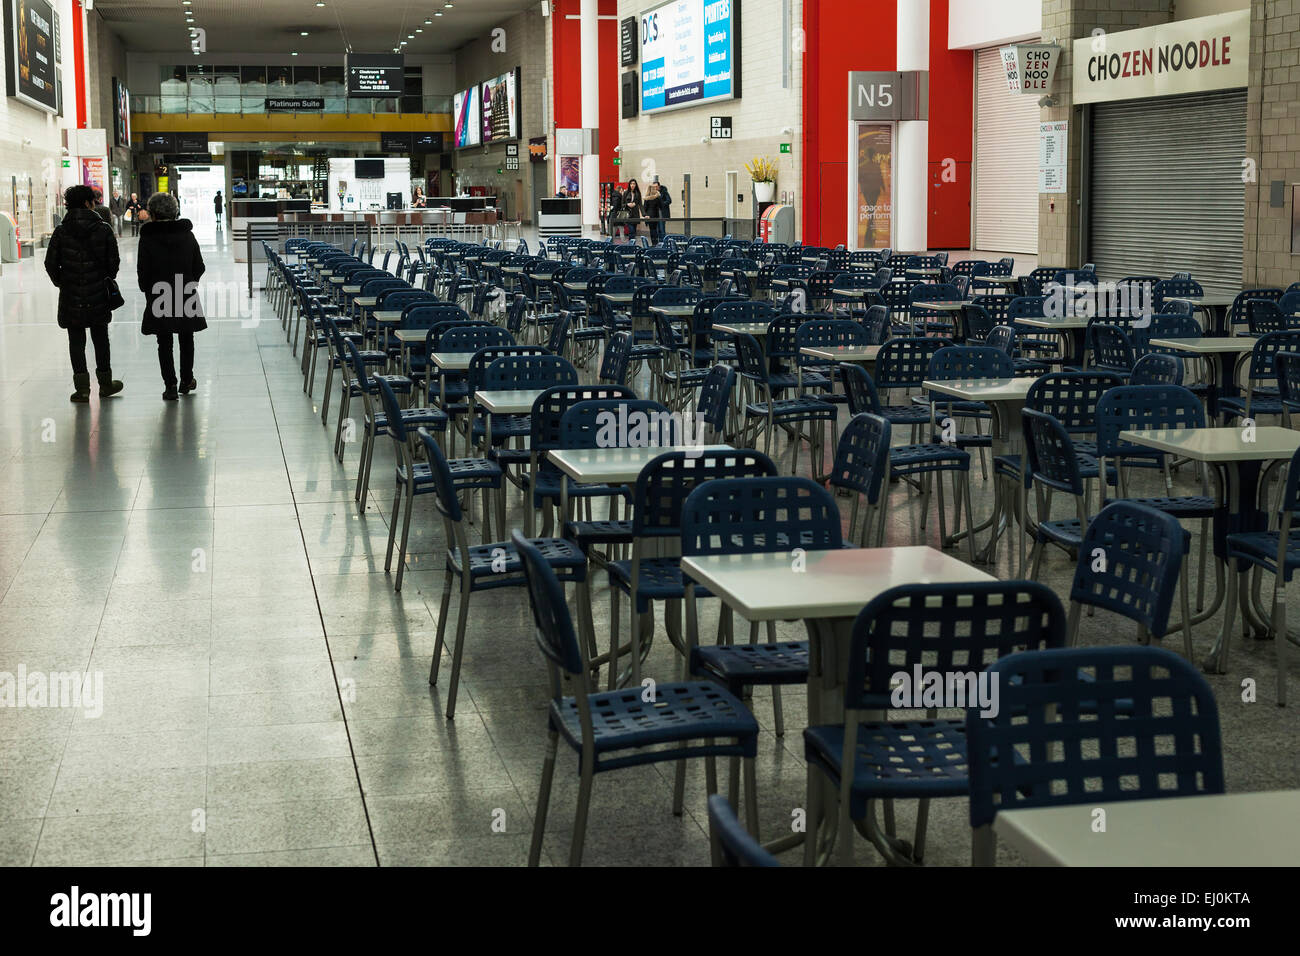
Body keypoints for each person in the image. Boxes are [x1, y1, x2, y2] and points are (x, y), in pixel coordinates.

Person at [44, 185, 125, 403]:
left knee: (76, 341)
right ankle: (106, 384)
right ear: (90, 203)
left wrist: (63, 282)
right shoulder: (104, 229)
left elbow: (50, 263)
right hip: (98, 293)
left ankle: (82, 390)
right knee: (100, 339)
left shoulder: (61, 231)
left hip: (71, 295)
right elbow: (113, 263)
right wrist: (104, 277)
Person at [138, 191, 207, 401]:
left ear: (153, 214)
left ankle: (170, 386)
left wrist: (147, 289)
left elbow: (143, 269)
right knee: (186, 337)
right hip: (184, 290)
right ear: (175, 211)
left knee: (164, 340)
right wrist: (189, 282)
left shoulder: (148, 237)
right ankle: (187, 380)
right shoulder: (187, 235)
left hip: (158, 292)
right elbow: (199, 265)